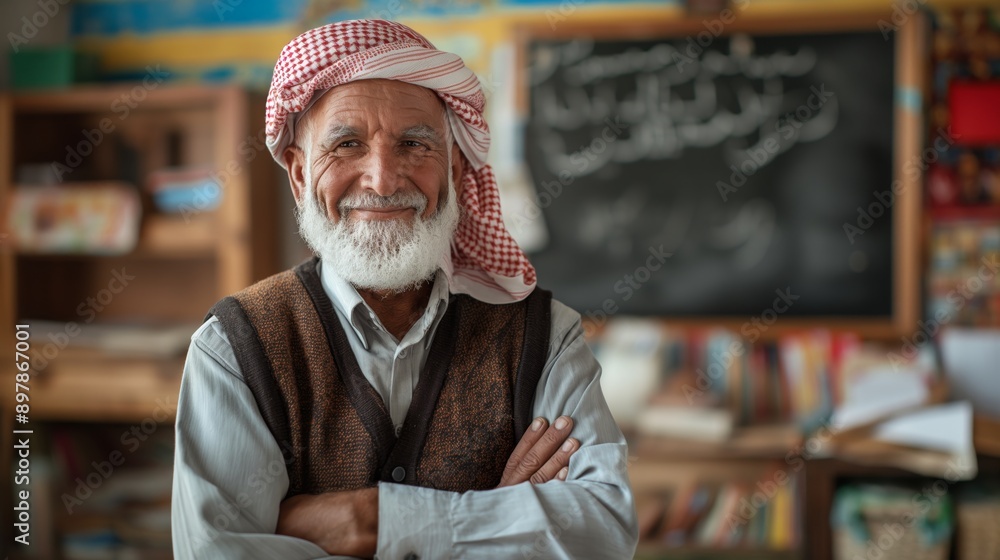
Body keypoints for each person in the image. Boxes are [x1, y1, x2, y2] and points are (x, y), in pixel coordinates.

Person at [171, 19, 638, 559]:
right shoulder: (234, 349)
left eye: (415, 144)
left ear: (458, 172)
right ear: (299, 174)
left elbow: (603, 531)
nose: (383, 179)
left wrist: (369, 521)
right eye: (346, 144)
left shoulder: (545, 336)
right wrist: (494, 519)